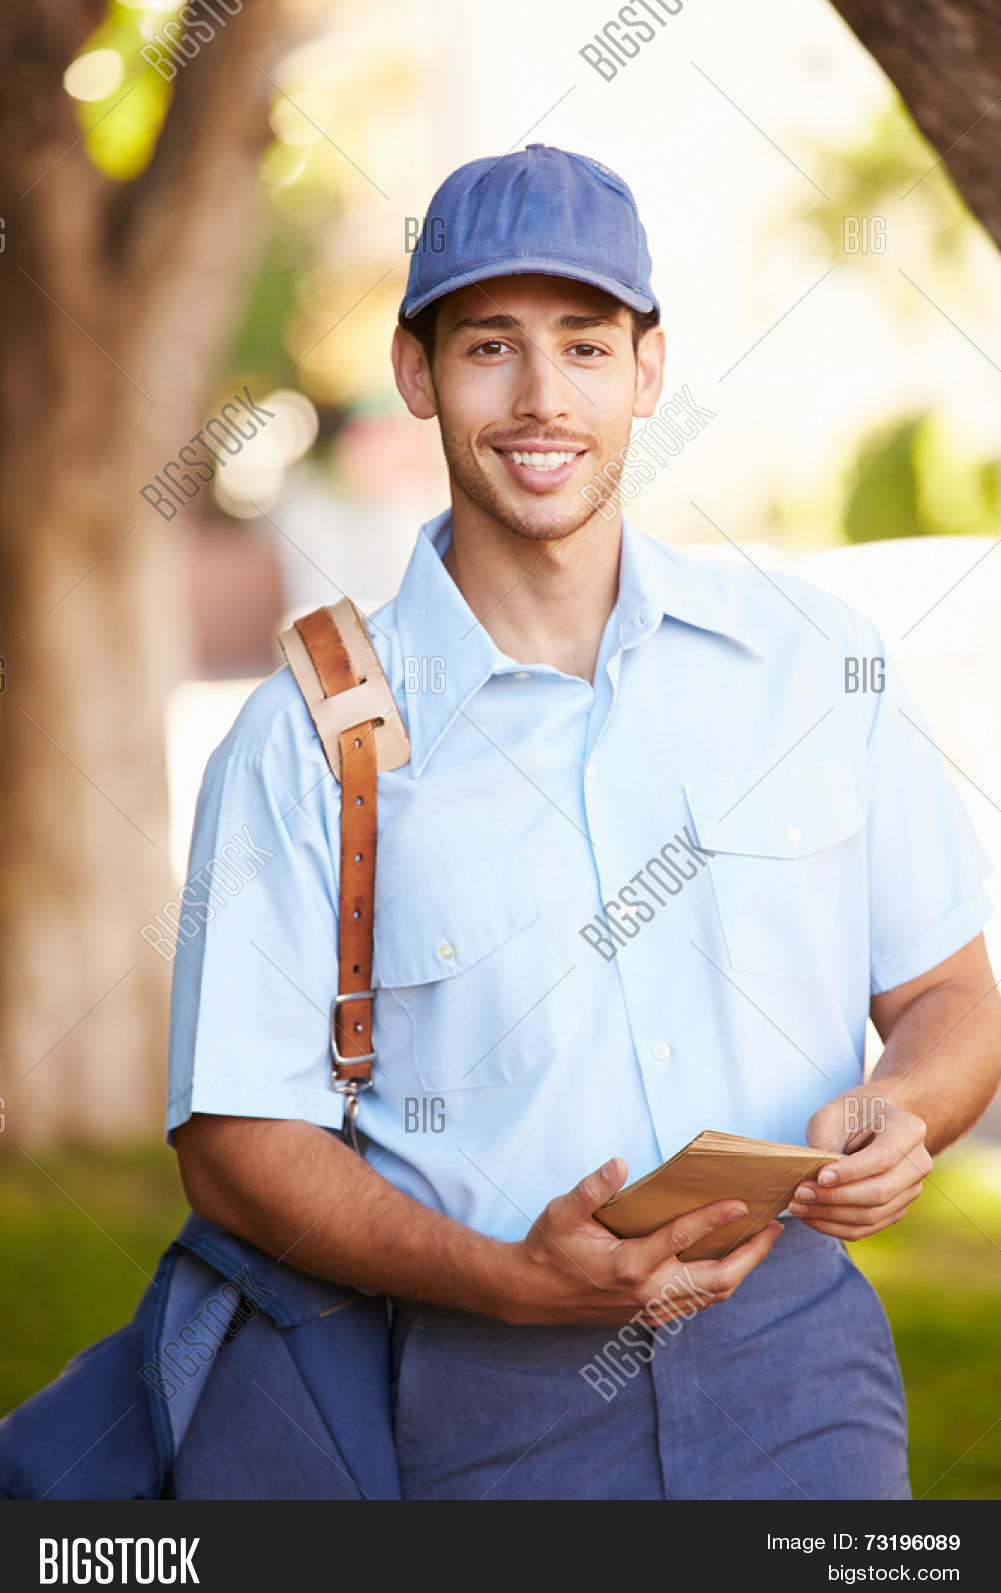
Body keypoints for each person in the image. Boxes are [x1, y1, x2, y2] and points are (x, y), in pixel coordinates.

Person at [168, 144, 1001, 1500]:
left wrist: (903, 1111)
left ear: (647, 373)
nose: (541, 397)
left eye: (585, 344)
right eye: (489, 345)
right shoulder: (309, 737)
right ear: (416, 373)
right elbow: (234, 1145)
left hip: (799, 1368)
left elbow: (951, 995)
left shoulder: (815, 664)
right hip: (472, 1396)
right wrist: (504, 1281)